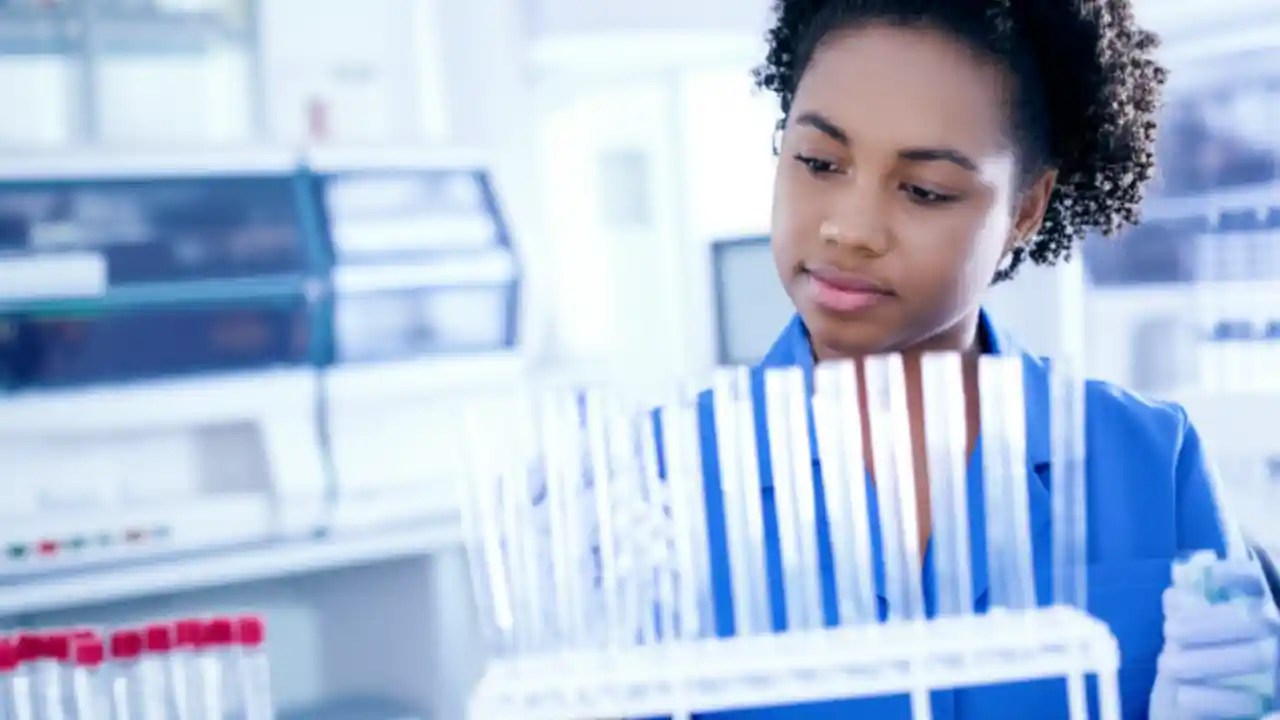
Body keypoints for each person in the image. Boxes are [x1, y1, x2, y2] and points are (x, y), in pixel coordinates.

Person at [684, 0, 1280, 717]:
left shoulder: (1152, 460)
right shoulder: (656, 484)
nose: (850, 229)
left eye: (925, 190)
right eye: (818, 161)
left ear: (1026, 209)